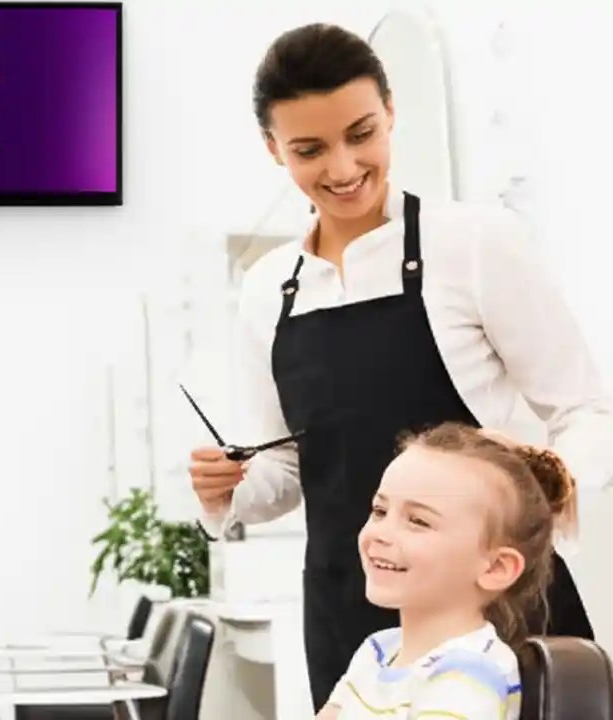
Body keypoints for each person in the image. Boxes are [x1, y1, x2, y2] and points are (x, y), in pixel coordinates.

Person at [187, 22, 612, 711]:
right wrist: (221, 490)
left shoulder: (475, 244)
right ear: (273, 149)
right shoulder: (268, 288)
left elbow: (587, 414)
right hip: (348, 610)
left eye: (362, 134)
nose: (344, 167)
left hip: (491, 605)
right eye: (309, 149)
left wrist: (549, 483)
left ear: (391, 111)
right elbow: (285, 473)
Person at [318, 422, 572, 720]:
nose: (381, 534)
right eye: (380, 511)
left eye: (418, 521)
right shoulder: (377, 652)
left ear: (496, 567)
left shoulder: (470, 675)